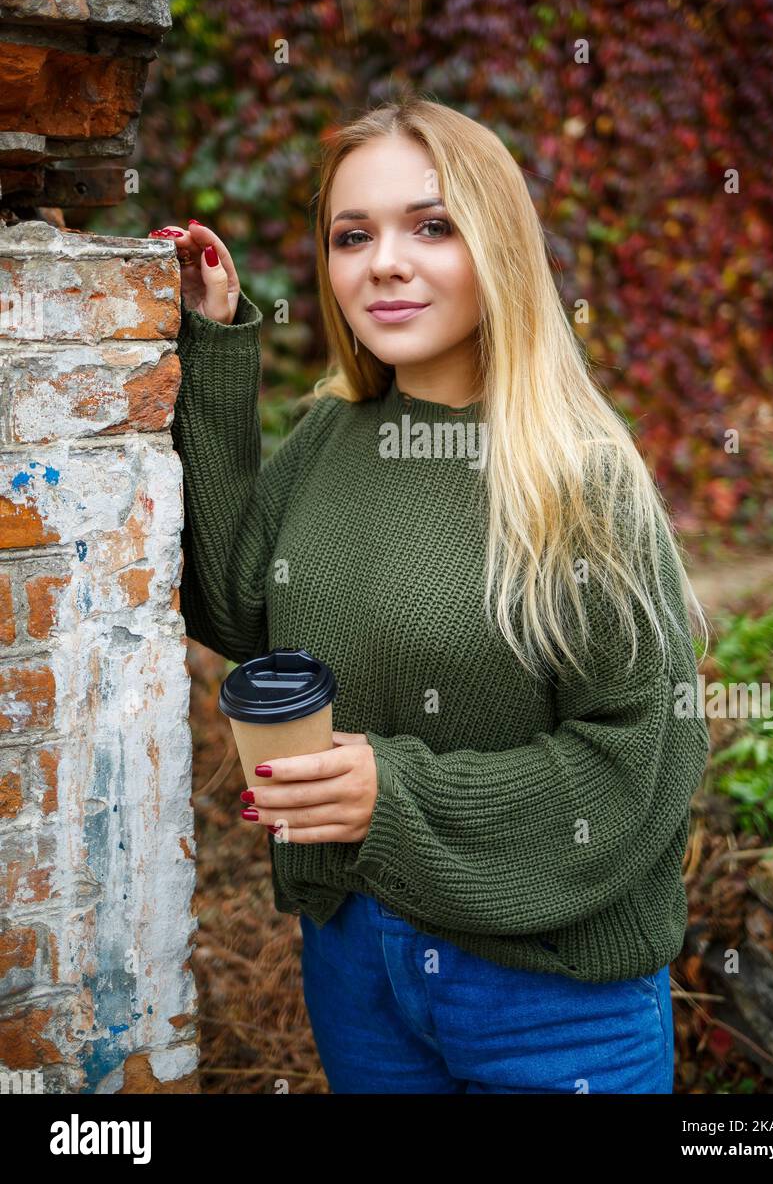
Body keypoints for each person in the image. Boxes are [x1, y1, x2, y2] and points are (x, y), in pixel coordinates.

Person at [155, 91, 711, 1094]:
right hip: (356, 958)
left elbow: (639, 763)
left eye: (431, 226)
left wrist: (394, 794)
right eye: (351, 234)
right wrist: (217, 344)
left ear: (494, 244)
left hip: (549, 994)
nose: (384, 263)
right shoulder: (333, 436)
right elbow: (237, 604)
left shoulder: (574, 476)